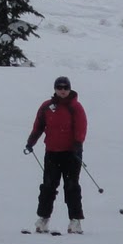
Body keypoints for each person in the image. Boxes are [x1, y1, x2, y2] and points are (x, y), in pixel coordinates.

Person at [26, 75, 88, 233]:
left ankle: (75, 221)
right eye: (59, 88)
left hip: (71, 153)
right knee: (48, 187)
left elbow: (81, 126)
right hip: (52, 153)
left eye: (65, 88)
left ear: (69, 89)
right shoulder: (47, 106)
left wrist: (77, 143)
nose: (62, 91)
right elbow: (38, 126)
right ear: (55, 89)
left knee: (71, 187)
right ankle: (43, 219)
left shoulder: (76, 107)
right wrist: (31, 142)